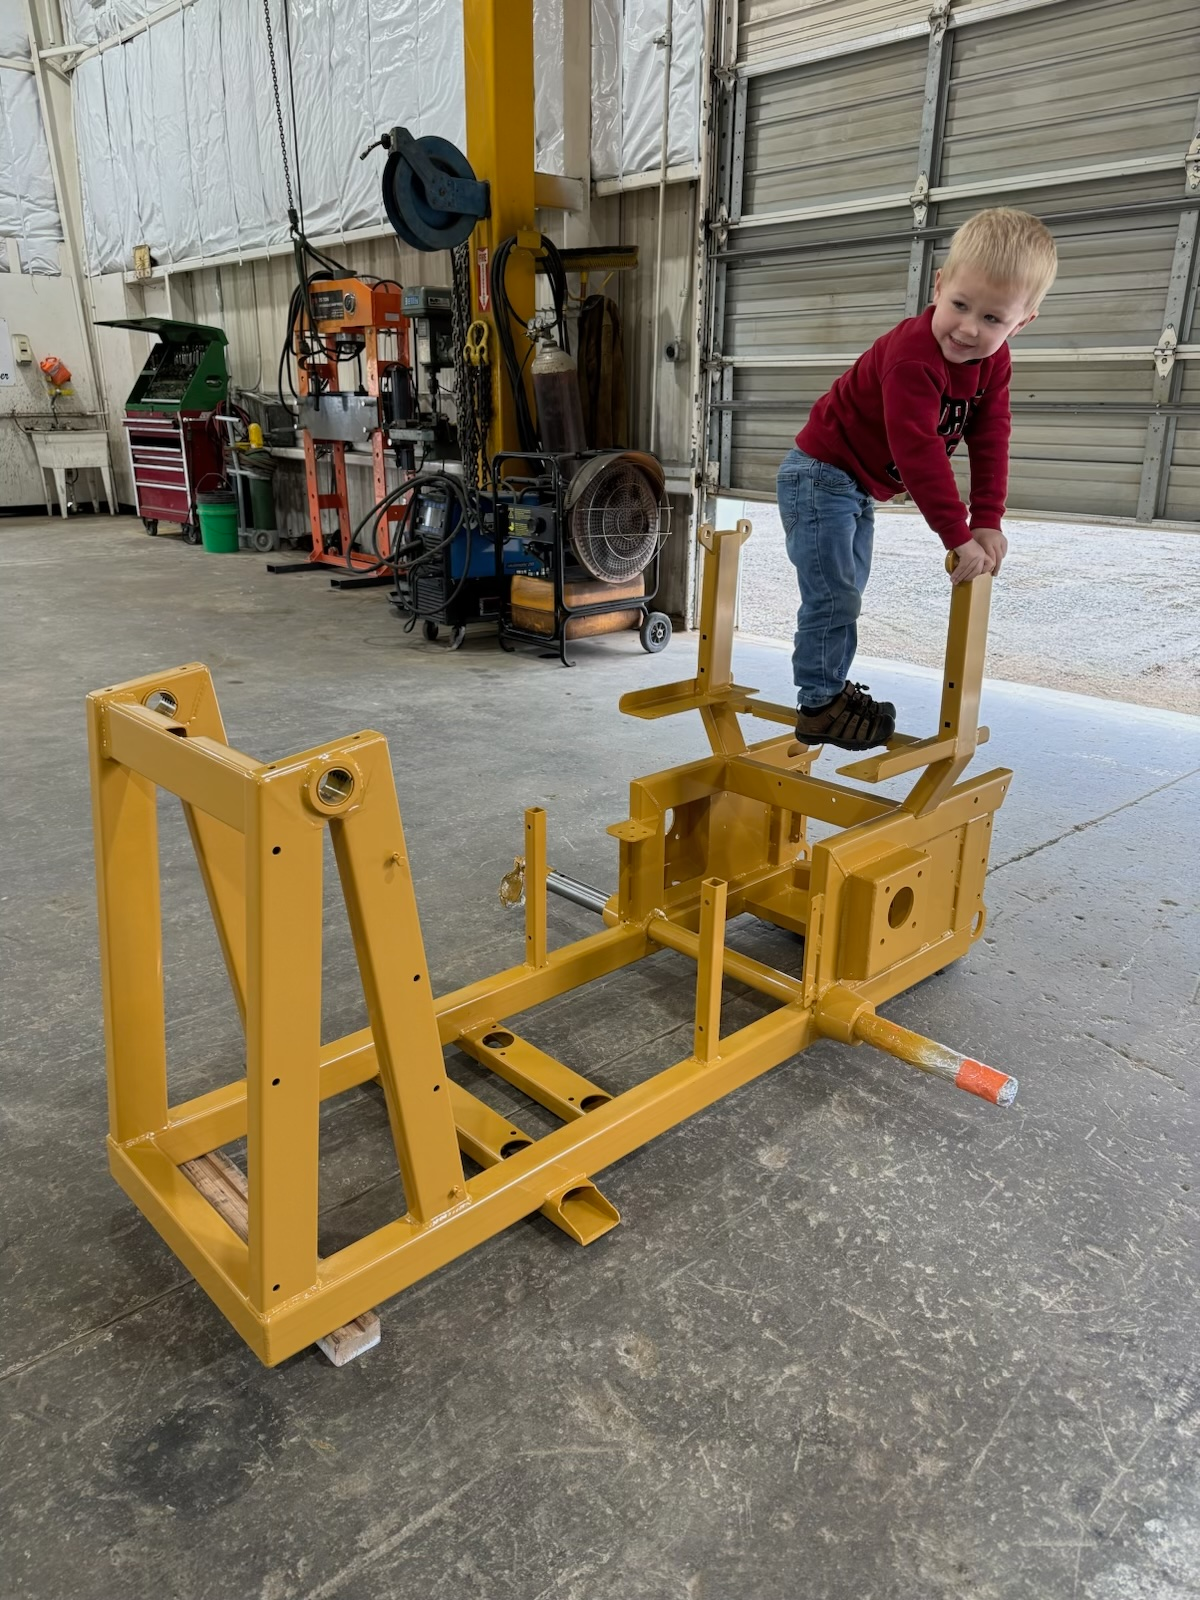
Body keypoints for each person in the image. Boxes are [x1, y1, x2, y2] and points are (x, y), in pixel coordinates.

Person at [776, 207, 1058, 751]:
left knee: (845, 592)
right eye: (960, 305)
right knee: (835, 596)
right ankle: (819, 705)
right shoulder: (913, 357)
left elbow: (991, 433)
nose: (969, 328)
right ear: (939, 285)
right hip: (820, 476)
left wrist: (989, 519)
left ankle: (828, 688)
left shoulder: (994, 363)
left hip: (855, 485)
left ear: (1022, 322)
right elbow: (917, 451)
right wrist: (957, 534)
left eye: (993, 319)